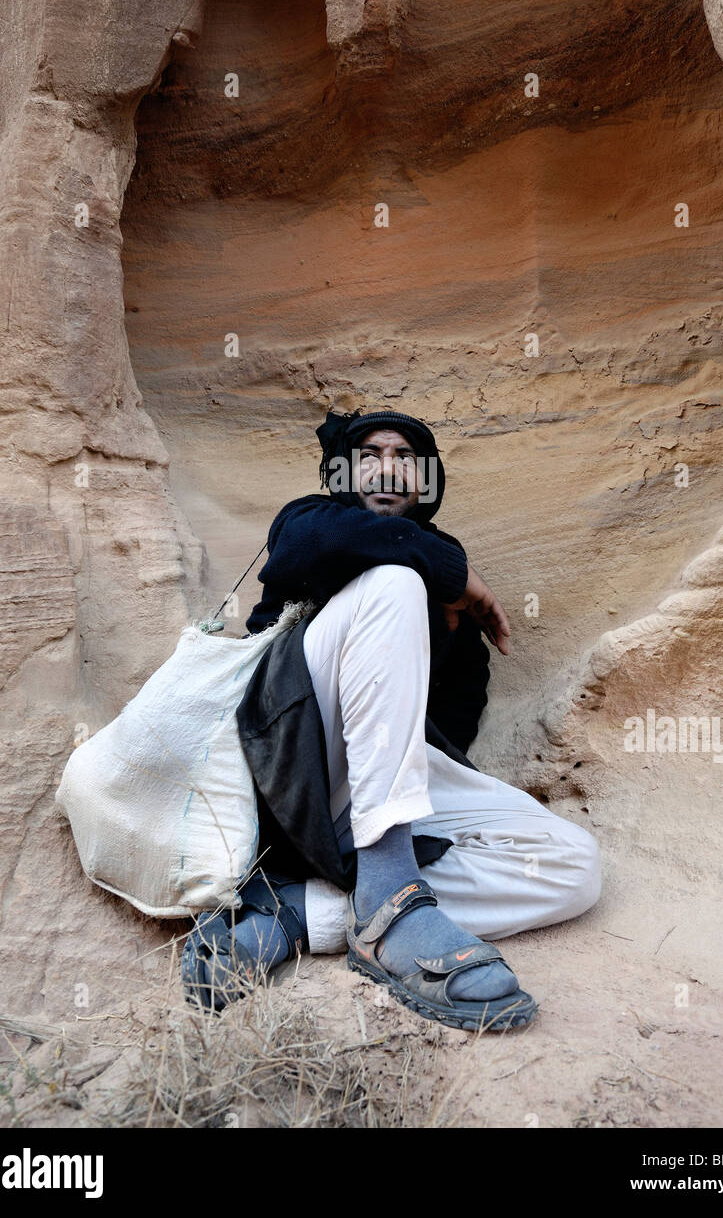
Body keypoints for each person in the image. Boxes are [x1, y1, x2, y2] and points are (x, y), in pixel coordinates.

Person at [182, 408, 601, 1031]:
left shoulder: (439, 568)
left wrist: (448, 572)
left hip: (375, 788)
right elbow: (316, 546)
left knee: (574, 865)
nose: (387, 469)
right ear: (341, 473)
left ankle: (308, 911)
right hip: (287, 754)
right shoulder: (308, 519)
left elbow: (454, 719)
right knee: (394, 582)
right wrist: (453, 574)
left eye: (406, 458)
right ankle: (383, 888)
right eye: (370, 454)